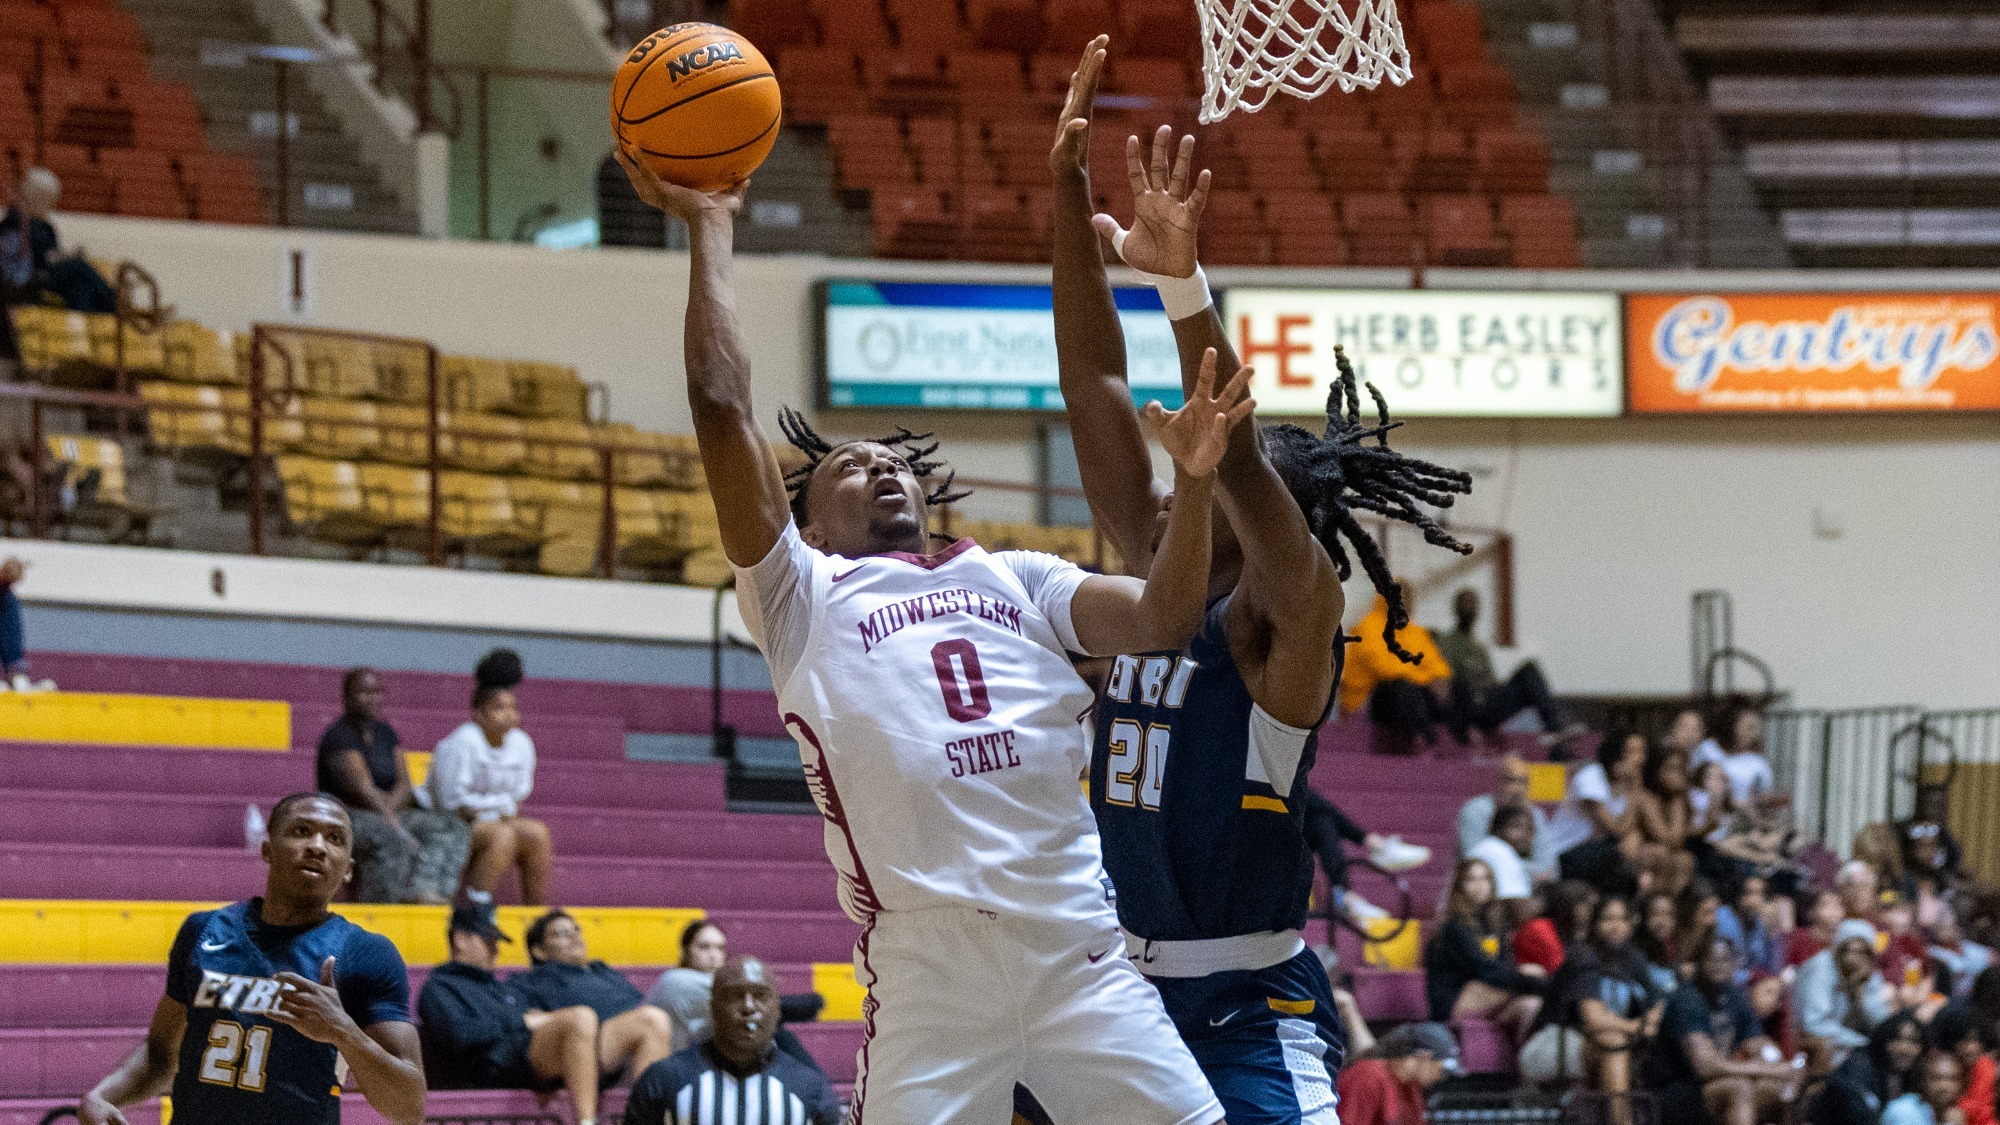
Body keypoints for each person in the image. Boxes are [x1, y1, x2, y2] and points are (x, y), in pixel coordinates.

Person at [619, 123, 1245, 1125]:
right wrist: (710, 225)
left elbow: (1169, 616)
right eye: (846, 466)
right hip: (929, 982)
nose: (878, 466)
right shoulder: (798, 595)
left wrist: (1196, 481)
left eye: (892, 458)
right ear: (807, 521)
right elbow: (717, 398)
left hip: (1077, 961)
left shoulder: (1020, 579)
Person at [78, 792, 425, 1125]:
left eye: (334, 838)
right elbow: (160, 1054)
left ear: (348, 869)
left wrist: (344, 1031)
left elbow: (409, 1108)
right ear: (267, 849)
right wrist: (103, 1096)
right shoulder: (203, 931)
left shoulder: (367, 953)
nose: (317, 847)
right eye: (302, 831)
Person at [416, 905, 614, 1125]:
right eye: (489, 942)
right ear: (461, 940)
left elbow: (530, 1017)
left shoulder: (501, 987)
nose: (496, 951)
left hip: (522, 1062)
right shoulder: (439, 988)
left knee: (646, 1019)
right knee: (581, 1017)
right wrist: (522, 1021)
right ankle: (587, 1121)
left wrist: (532, 1020)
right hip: (488, 1070)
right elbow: (460, 1034)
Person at [622, 956, 844, 1125]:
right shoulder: (663, 1080)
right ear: (713, 1008)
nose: (748, 1006)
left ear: (777, 1010)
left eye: (760, 996)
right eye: (735, 996)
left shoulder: (809, 1089)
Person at [317, 668, 468, 904]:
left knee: (451, 827)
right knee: (387, 836)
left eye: (378, 692)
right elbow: (362, 788)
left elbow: (405, 783)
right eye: (365, 692)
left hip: (390, 811)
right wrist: (392, 822)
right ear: (347, 696)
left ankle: (426, 892)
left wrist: (393, 815)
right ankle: (381, 910)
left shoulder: (386, 733)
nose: (373, 698)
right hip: (350, 817)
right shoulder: (338, 736)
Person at [427, 649, 552, 907]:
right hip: (450, 823)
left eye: (512, 707)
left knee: (537, 833)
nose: (509, 714)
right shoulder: (462, 742)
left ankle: (538, 915)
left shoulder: (521, 742)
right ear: (478, 714)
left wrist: (499, 811)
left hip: (493, 819)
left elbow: (517, 797)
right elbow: (452, 804)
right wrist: (498, 811)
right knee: (503, 834)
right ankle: (478, 906)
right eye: (499, 707)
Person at [1520, 896, 1666, 1106]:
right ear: (1595, 924)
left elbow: (1657, 1006)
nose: (1616, 926)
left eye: (1623, 920)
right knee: (1613, 1041)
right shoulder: (1584, 956)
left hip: (1609, 1040)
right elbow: (1595, 1020)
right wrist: (1639, 1026)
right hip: (1556, 1040)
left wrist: (1647, 1023)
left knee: (1620, 1042)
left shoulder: (1634, 958)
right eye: (1608, 919)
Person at [1645, 936, 1803, 1125]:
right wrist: (1767, 1069)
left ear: (1734, 963)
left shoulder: (1733, 996)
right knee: (1739, 1087)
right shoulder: (1687, 1000)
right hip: (1675, 1090)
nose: (1718, 965)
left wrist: (1776, 1061)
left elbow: (1757, 1042)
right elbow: (1706, 1067)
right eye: (1711, 959)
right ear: (1699, 963)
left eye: (1724, 959)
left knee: (1774, 1087)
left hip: (1714, 1086)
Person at [512, 910, 676, 1085]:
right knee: (654, 1016)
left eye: (576, 930)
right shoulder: (534, 979)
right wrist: (544, 1018)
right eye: (561, 933)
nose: (574, 937)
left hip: (642, 1039)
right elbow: (513, 1014)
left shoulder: (602, 970)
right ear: (540, 951)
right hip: (588, 1049)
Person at [1433, 587, 1582, 750]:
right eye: (1465, 603)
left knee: (1529, 670)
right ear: (1456, 608)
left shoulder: (1479, 648)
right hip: (1472, 705)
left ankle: (1554, 727)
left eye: (1473, 604)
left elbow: (1491, 679)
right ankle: (1554, 726)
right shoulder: (1446, 642)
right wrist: (1465, 722)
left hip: (1491, 699)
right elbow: (1448, 684)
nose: (1470, 608)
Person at [1423, 858, 1545, 1039]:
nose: (1480, 885)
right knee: (1491, 983)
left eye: (1485, 878)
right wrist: (1534, 983)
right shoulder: (1453, 927)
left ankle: (1525, 1061)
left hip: (1490, 992)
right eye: (1471, 879)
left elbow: (1504, 966)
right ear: (1459, 885)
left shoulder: (1495, 923)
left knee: (1532, 1004)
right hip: (1454, 1002)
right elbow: (1484, 971)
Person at [1341, 591, 1456, 756]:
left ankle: (1458, 739)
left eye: (1408, 599)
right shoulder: (1368, 627)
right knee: (1400, 687)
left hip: (1411, 691)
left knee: (1455, 687)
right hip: (1369, 700)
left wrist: (1436, 679)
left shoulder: (1415, 632)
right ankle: (1421, 740)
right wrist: (1425, 678)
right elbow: (1387, 669)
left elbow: (1438, 667)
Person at [0, 167, 116, 313]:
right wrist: (67, 256)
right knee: (78, 267)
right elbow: (38, 259)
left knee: (80, 286)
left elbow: (51, 253)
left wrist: (65, 254)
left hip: (50, 270)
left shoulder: (42, 225)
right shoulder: (15, 222)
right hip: (37, 277)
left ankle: (88, 316)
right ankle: (111, 302)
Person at [1546, 731, 1645, 895]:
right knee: (1617, 857)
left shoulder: (1623, 785)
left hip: (1599, 850)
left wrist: (1634, 835)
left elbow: (1628, 827)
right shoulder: (1591, 776)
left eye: (1642, 752)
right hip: (1567, 852)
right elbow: (1614, 829)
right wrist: (1635, 790)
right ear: (1615, 754)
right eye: (1631, 752)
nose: (1639, 760)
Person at [1797, 919, 1896, 1074]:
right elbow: (1814, 1023)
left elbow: (1883, 1024)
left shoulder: (1868, 971)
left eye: (1860, 952)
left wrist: (1862, 991)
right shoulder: (1822, 967)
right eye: (1847, 951)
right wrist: (1861, 1042)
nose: (1852, 958)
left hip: (1849, 1043)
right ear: (1837, 950)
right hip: (1811, 1043)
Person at [1809, 1011, 1927, 1125]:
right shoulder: (1858, 1069)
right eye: (1897, 1039)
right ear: (1884, 1040)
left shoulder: (1914, 1075)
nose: (1905, 1049)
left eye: (1913, 1041)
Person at [1457, 754, 1559, 883]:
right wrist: (1530, 872)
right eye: (1511, 780)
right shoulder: (1477, 810)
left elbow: (1549, 867)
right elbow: (1476, 860)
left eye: (1523, 781)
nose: (1518, 789)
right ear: (1497, 781)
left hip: (1529, 891)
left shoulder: (1536, 814)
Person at [1334, 1022, 1461, 1125]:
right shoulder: (1369, 1075)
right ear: (1424, 1057)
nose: (1441, 1077)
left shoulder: (1410, 1086)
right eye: (1442, 1070)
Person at [648, 920, 728, 1051]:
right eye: (704, 947)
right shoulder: (676, 980)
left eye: (720, 948)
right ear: (685, 951)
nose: (713, 955)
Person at [1633, 741, 1697, 896]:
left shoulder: (1676, 799)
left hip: (1667, 853)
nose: (1677, 774)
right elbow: (1668, 838)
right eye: (1671, 768)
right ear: (1656, 770)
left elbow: (1680, 842)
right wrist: (1677, 801)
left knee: (1685, 860)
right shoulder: (1645, 797)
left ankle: (1672, 908)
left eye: (1681, 769)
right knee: (1660, 853)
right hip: (1640, 855)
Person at [1692, 700, 1778, 808]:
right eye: (1749, 727)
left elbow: (1764, 794)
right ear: (1732, 725)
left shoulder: (1758, 761)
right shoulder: (1708, 749)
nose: (1753, 734)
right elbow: (1694, 784)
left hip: (1742, 819)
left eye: (1755, 729)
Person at [1514, 879, 1599, 976]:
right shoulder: (1540, 928)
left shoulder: (1572, 931)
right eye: (1583, 904)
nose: (1590, 910)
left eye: (1591, 905)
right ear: (1566, 904)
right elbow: (1559, 969)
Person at [1930, 1007, 1996, 1125]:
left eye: (1976, 1041)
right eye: (1964, 1041)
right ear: (1951, 1041)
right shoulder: (1938, 1066)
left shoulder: (1985, 1067)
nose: (1971, 1048)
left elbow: (1984, 1115)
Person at [0, 555, 54, 693]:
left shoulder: (8, 598)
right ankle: (16, 674)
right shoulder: (8, 599)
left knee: (10, 608)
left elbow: (11, 638)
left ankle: (16, 674)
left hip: (11, 656)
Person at [1467, 805, 1541, 905]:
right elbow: (1513, 902)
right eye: (1517, 827)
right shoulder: (1497, 850)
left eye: (1530, 829)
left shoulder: (1492, 848)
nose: (1526, 834)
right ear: (1498, 828)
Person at [1715, 875, 1783, 981]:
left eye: (1760, 894)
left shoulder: (1760, 923)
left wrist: (1772, 933)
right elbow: (1718, 970)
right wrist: (1751, 976)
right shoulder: (1722, 918)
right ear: (1738, 896)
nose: (1754, 901)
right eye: (1749, 893)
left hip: (1745, 986)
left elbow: (1773, 970)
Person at [1883, 1051, 1970, 1125]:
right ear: (1924, 1082)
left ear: (1963, 1085)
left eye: (1952, 1079)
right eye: (1936, 1078)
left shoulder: (1955, 1114)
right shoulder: (1903, 1110)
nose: (1944, 1086)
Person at [1635, 890, 1684, 994]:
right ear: (1645, 917)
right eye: (1655, 914)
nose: (1662, 921)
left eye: (1668, 914)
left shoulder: (1676, 949)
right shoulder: (1635, 953)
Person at [1788, 889, 1848, 969]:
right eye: (1827, 905)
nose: (1834, 910)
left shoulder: (1846, 941)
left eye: (1838, 905)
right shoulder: (1797, 938)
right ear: (1811, 912)